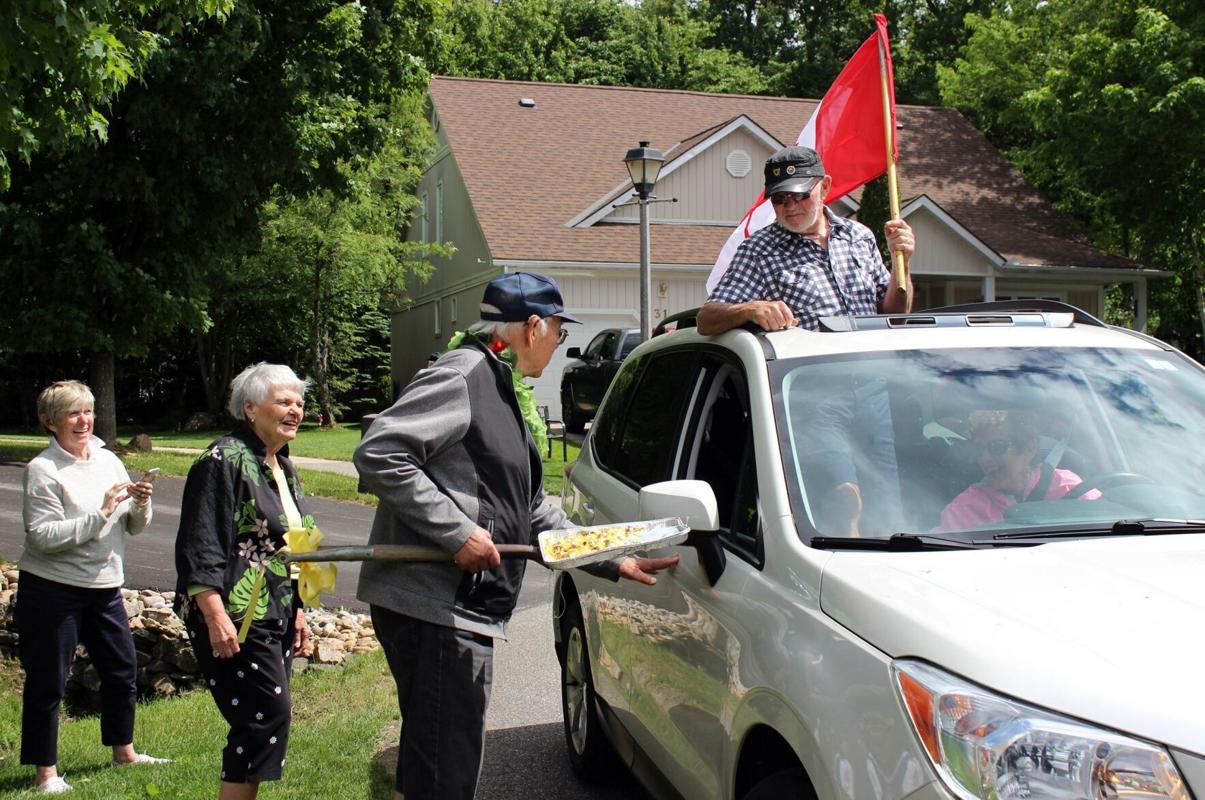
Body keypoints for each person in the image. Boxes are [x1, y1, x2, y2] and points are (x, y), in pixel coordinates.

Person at [355, 271, 680, 800]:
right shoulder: (462, 375)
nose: (558, 344)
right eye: (559, 331)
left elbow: (529, 511)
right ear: (533, 326)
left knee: (433, 766)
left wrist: (611, 558)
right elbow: (380, 453)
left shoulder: (500, 385)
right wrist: (457, 533)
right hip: (434, 610)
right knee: (444, 778)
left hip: (456, 612)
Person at [701, 146, 916, 535]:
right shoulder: (759, 250)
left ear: (825, 187)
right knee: (841, 496)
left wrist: (904, 260)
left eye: (801, 194)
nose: (791, 206)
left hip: (875, 390)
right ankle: (844, 570)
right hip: (812, 398)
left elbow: (894, 313)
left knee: (886, 500)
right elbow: (706, 318)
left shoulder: (859, 236)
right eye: (780, 199)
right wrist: (751, 308)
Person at [174, 363, 316, 800]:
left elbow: (295, 545)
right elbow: (201, 540)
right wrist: (214, 614)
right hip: (234, 613)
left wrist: (299, 611)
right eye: (283, 402)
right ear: (250, 409)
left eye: (299, 403)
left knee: (264, 720)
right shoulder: (223, 458)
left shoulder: (281, 466)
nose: (295, 410)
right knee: (264, 715)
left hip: (274, 609)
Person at [18, 380, 166, 795]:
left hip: (104, 585)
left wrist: (140, 502)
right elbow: (43, 535)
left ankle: (125, 752)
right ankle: (46, 773)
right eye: (72, 413)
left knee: (122, 670)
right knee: (49, 680)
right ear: (50, 422)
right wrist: (101, 512)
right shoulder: (42, 470)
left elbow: (135, 527)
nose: (83, 420)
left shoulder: (107, 460)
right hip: (52, 589)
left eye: (87, 411)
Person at [935, 409, 1101, 532]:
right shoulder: (965, 509)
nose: (983, 459)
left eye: (997, 447)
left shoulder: (1069, 488)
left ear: (1030, 447)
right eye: (979, 450)